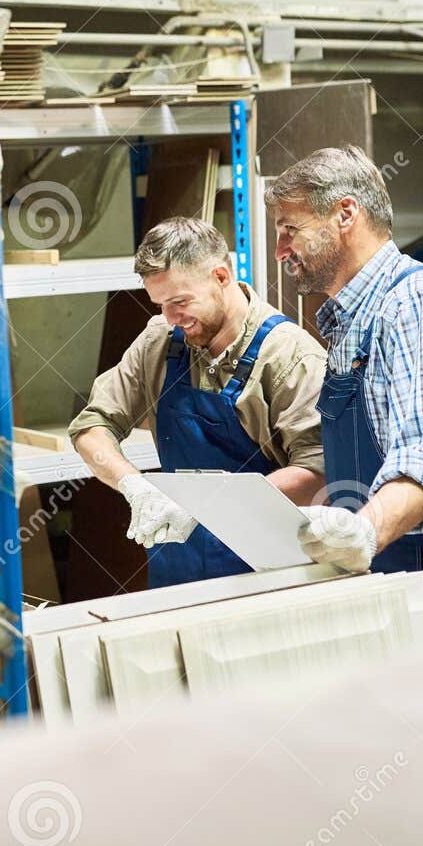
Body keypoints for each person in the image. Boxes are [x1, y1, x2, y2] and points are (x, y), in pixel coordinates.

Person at [266, 145, 423, 624]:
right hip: (376, 574)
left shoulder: (417, 305)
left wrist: (363, 534)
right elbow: (356, 464)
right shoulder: (349, 319)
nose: (280, 250)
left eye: (289, 230)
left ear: (345, 214)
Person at [70, 217, 327, 587]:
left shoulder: (291, 356)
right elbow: (92, 425)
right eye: (159, 304)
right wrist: (134, 486)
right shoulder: (160, 339)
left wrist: (212, 506)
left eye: (179, 301)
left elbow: (317, 471)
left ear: (221, 277)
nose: (170, 318)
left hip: (267, 572)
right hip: (178, 570)